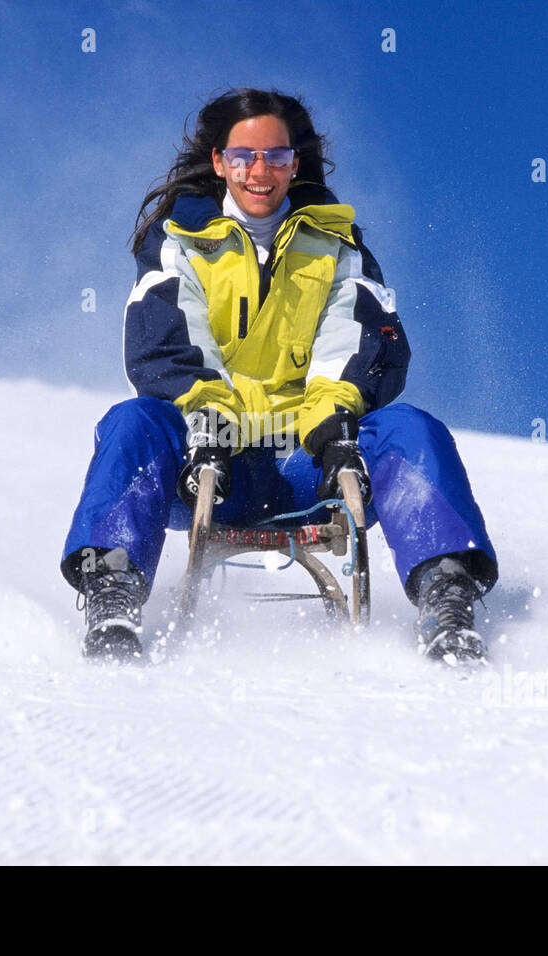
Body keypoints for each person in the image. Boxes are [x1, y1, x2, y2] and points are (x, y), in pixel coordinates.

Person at [61, 88, 498, 664]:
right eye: (243, 157)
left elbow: (355, 341)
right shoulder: (180, 243)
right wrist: (206, 425)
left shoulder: (336, 248)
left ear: (295, 162)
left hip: (310, 465)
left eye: (276, 156)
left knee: (407, 428)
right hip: (210, 464)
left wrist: (333, 434)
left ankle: (448, 596)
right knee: (133, 422)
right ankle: (112, 592)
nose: (259, 171)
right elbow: (165, 340)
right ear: (219, 162)